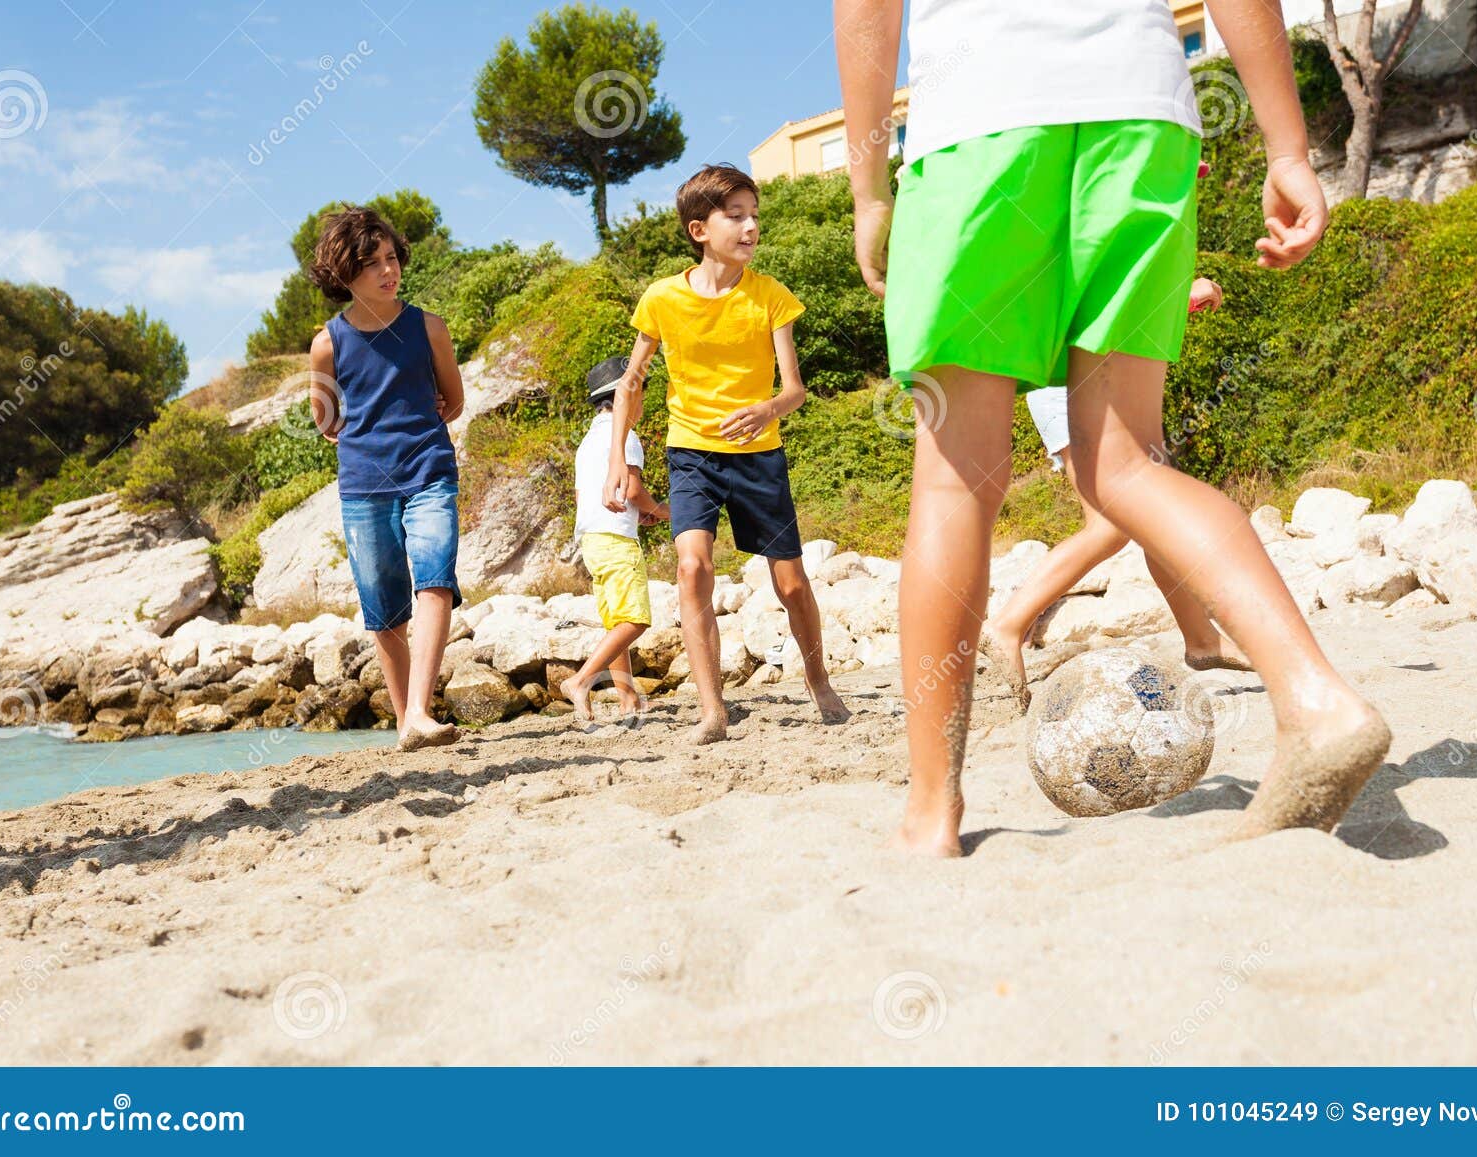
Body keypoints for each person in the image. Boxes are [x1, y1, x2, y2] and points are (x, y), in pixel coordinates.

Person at [836, 0, 1391, 855]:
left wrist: (869, 188)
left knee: (956, 477)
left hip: (981, 122)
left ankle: (932, 811)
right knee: (1124, 461)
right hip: (1141, 114)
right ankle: (1315, 697)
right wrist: (1286, 148)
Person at [602, 163, 850, 745]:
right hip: (690, 452)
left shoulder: (772, 297)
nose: (750, 227)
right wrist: (618, 457)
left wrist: (767, 409)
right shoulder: (661, 298)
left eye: (754, 216)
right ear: (698, 230)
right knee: (693, 569)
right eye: (735, 216)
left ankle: (818, 680)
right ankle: (712, 711)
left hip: (760, 455)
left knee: (791, 585)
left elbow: (795, 389)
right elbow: (630, 383)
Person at [980, 275, 1252, 708]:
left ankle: (1202, 641)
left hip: (1089, 380)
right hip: (1074, 382)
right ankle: (1007, 625)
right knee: (1112, 526)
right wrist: (1177, 289)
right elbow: (1104, 286)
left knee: (1151, 517)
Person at [308, 205, 465, 752]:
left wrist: (412, 427)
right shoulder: (326, 343)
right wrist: (361, 436)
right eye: (371, 262)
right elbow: (324, 418)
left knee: (435, 577)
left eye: (392, 257)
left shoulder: (430, 327)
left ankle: (420, 710)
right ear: (342, 273)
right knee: (383, 609)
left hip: (429, 471)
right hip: (363, 485)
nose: (387, 270)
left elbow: (455, 400)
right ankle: (406, 723)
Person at [559, 356, 671, 724]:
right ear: (629, 395)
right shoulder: (625, 435)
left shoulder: (587, 441)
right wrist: (662, 510)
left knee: (616, 621)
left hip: (591, 539)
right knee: (635, 620)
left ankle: (627, 699)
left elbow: (583, 497)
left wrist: (640, 511)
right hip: (617, 538)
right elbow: (633, 488)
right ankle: (581, 680)